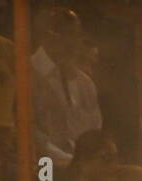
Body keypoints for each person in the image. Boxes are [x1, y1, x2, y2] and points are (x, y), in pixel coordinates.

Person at [32, 8, 101, 169]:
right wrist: (71, 163)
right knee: (46, 180)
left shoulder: (85, 84)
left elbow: (94, 132)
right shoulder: (25, 75)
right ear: (46, 35)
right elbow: (33, 138)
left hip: (81, 168)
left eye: (76, 35)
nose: (73, 42)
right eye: (66, 34)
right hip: (43, 167)